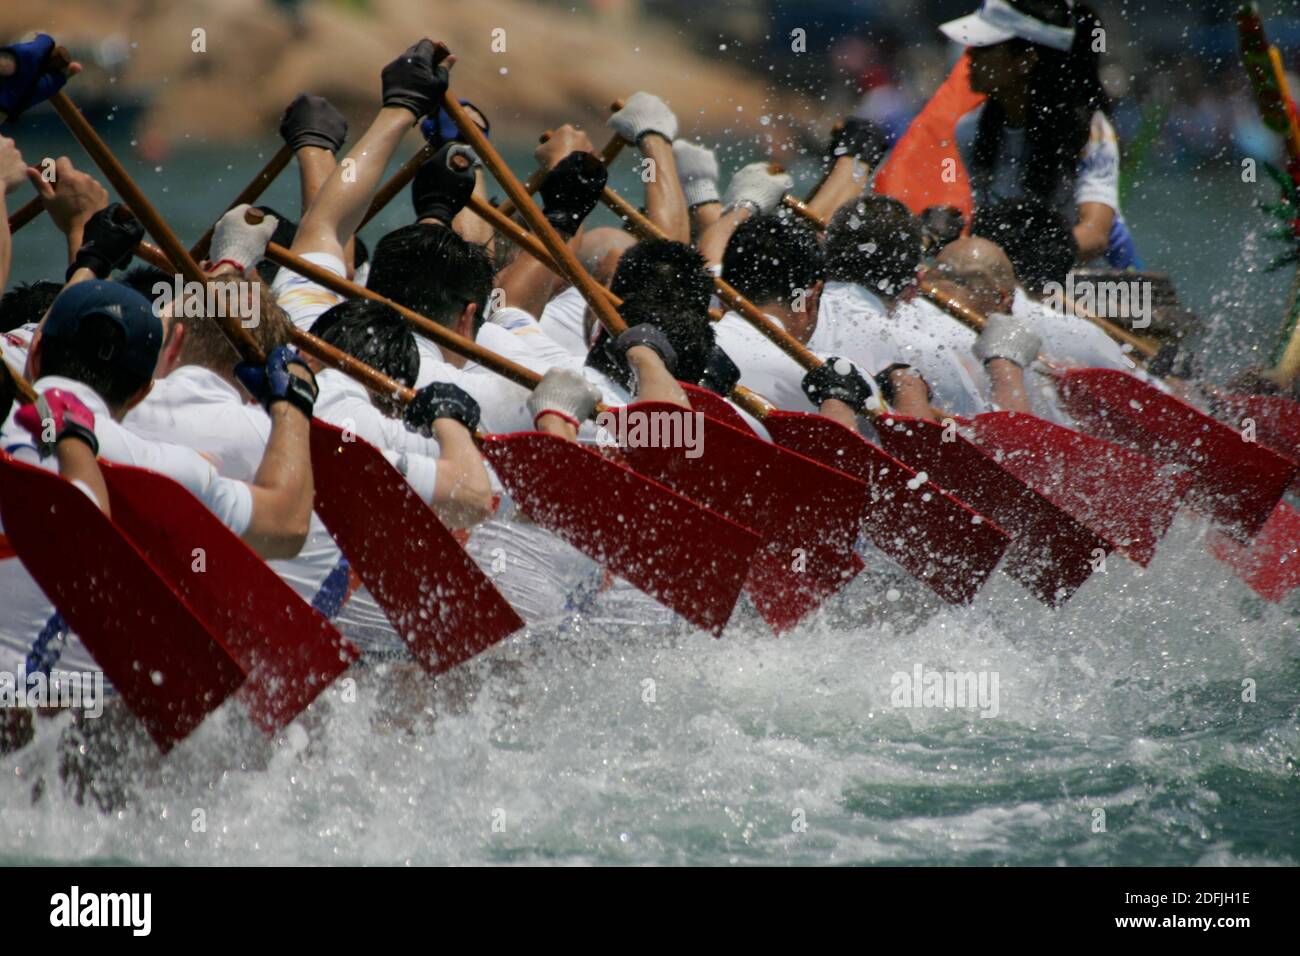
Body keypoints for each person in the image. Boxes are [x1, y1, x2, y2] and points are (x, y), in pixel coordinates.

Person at [938, 0, 1140, 267]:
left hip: (1102, 281)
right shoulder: (969, 130)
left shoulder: (1090, 130)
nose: (970, 58)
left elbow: (1095, 236)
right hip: (1019, 276)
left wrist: (1018, 260)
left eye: (983, 48)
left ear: (1026, 60)